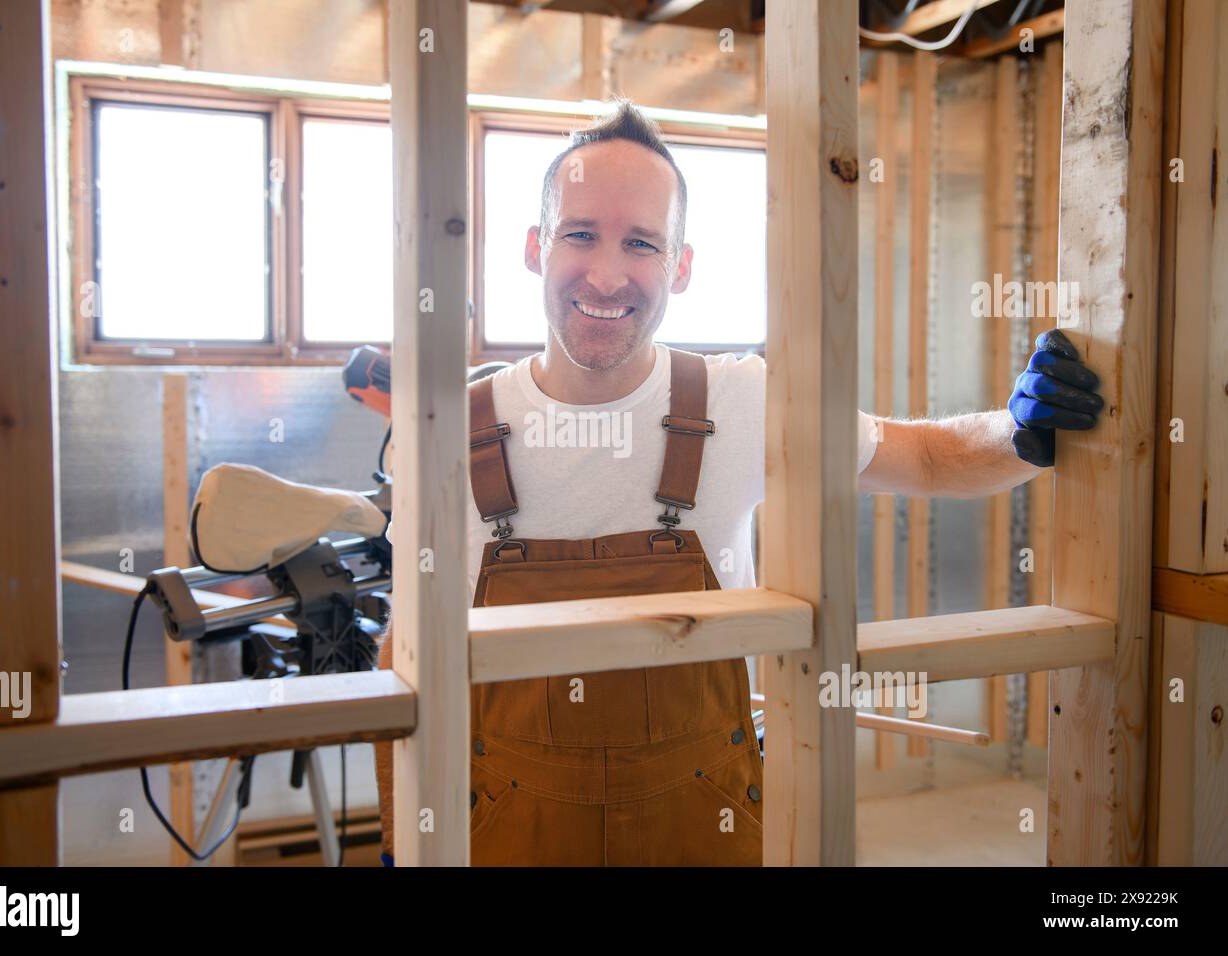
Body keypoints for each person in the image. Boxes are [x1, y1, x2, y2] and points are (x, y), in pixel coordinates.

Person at [375, 100, 1103, 867]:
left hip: (704, 825)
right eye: (580, 234)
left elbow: (924, 457)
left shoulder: (740, 401)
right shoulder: (443, 432)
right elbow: (404, 647)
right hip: (502, 834)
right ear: (534, 248)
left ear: (681, 265)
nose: (608, 273)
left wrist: (1025, 431)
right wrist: (400, 835)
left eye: (643, 244)